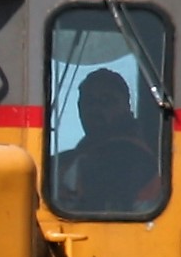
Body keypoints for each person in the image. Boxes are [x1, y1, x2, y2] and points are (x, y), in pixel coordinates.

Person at [57, 69, 159, 213]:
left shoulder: (129, 155)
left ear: (126, 108)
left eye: (107, 101)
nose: (96, 109)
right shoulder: (86, 152)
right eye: (89, 101)